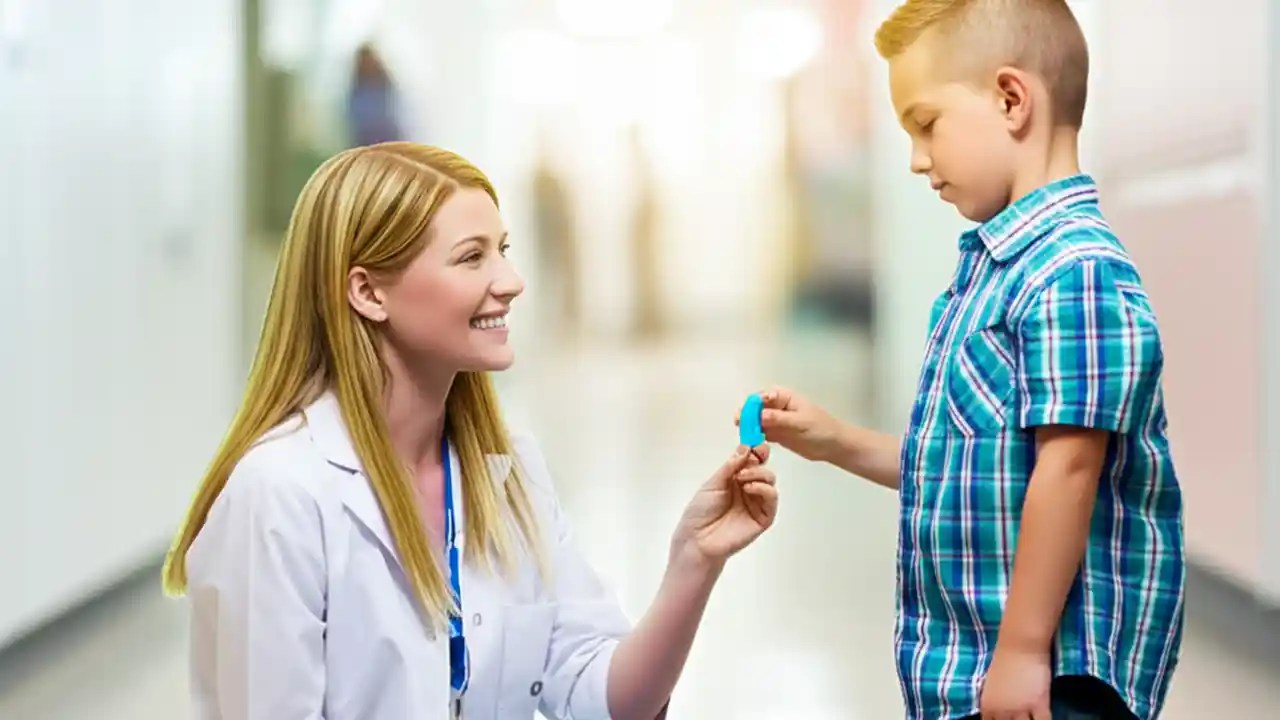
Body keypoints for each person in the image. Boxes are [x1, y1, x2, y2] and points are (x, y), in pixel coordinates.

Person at [162, 142, 779, 720]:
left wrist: (693, 563)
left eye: (503, 250)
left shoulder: (506, 473)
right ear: (367, 291)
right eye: (471, 256)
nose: (510, 282)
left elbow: (605, 698)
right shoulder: (280, 495)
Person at [750, 2, 1184, 719]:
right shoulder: (997, 271)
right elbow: (970, 462)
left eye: (926, 125)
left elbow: (1070, 470)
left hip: (1055, 676)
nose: (918, 159)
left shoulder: (1073, 270)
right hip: (985, 664)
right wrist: (838, 443)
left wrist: (1020, 650)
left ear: (1012, 99)